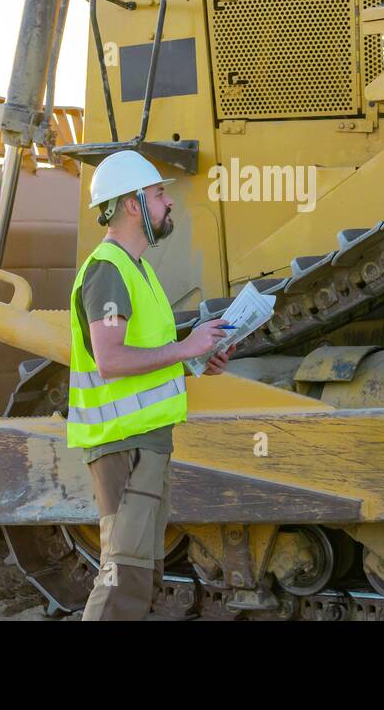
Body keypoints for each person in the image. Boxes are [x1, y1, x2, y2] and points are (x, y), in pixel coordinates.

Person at [67, 149, 233, 620]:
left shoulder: (136, 270)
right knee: (124, 580)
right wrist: (186, 348)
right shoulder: (108, 270)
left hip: (146, 444)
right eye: (159, 193)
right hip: (124, 445)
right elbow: (112, 358)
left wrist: (196, 360)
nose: (169, 203)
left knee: (143, 578)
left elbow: (145, 359)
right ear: (131, 204)